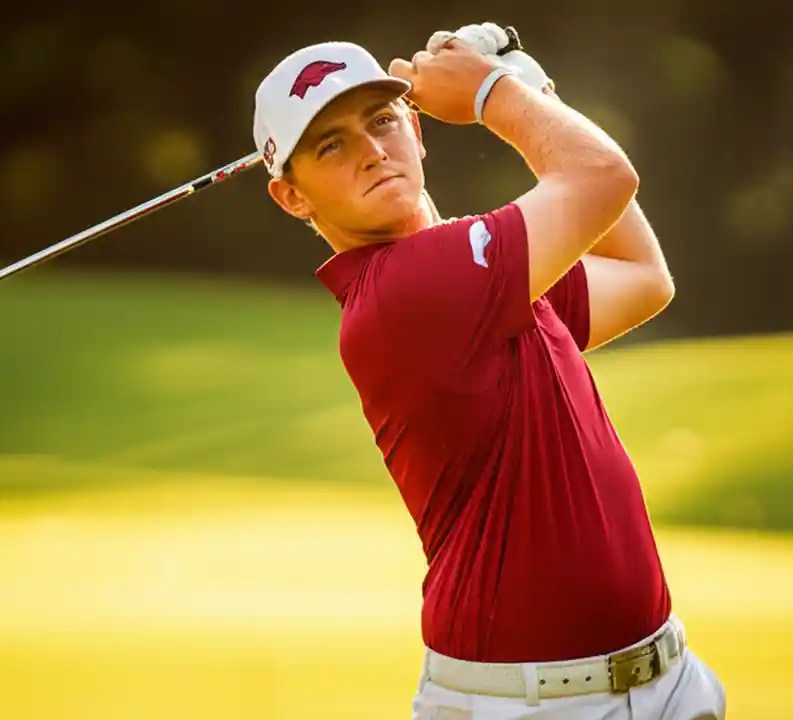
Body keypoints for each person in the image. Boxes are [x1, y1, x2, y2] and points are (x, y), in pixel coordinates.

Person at [252, 22, 726, 720]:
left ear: (417, 130)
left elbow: (642, 275)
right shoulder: (410, 289)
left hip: (665, 679)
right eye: (331, 145)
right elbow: (604, 177)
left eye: (382, 120)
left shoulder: (479, 270)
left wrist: (530, 88)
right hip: (535, 705)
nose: (372, 151)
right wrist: (493, 91)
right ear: (294, 197)